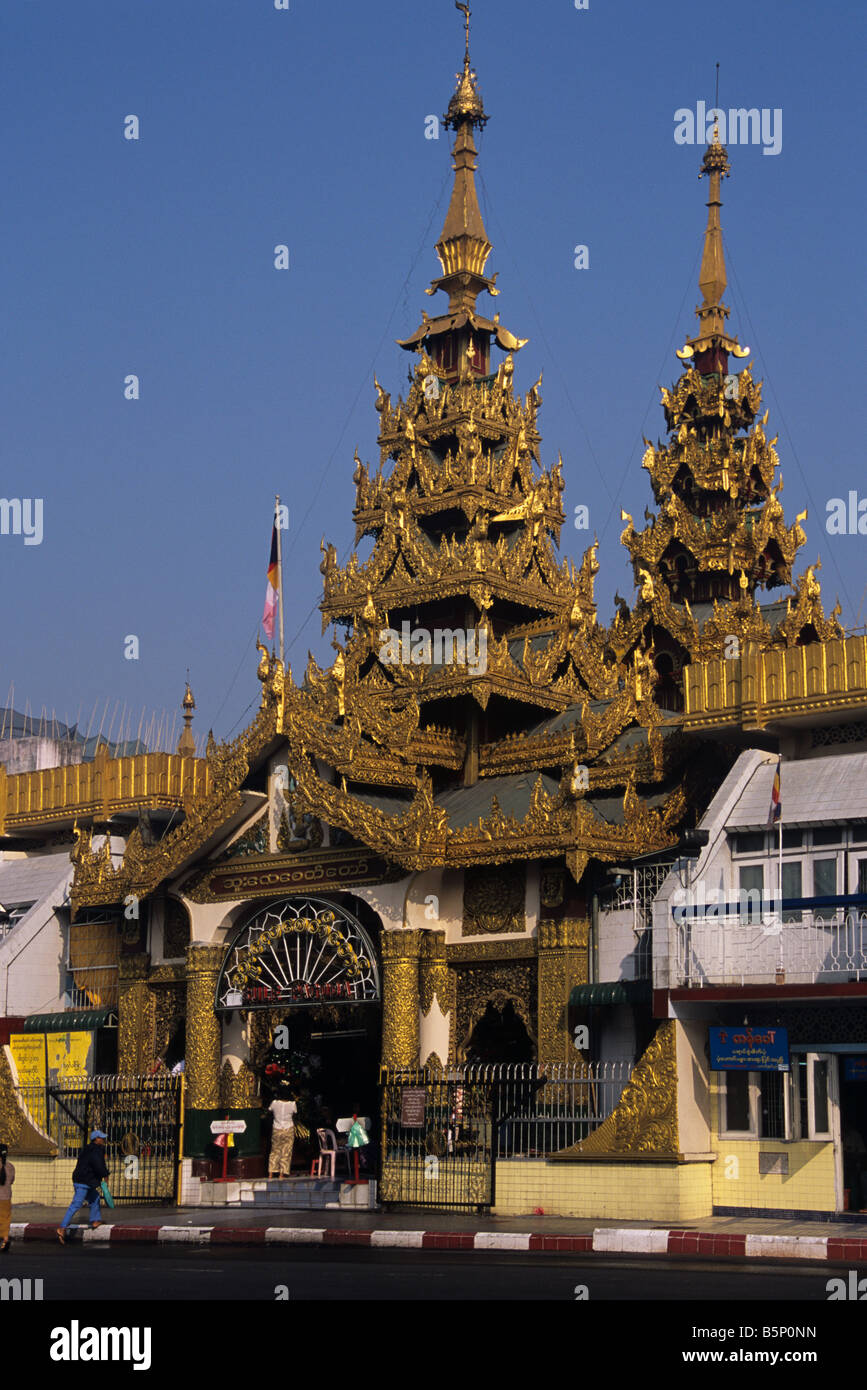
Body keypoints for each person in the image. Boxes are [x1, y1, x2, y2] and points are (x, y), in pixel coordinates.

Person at [57, 1129, 110, 1244]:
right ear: (96, 1139)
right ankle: (62, 1227)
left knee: (95, 1197)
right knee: (76, 1204)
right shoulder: (95, 1151)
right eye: (102, 1138)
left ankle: (95, 1220)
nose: (104, 1140)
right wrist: (105, 1175)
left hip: (84, 1180)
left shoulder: (88, 1149)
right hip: (83, 1181)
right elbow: (98, 1165)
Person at [268, 1089, 297, 1179]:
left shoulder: (274, 1103)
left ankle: (271, 1173)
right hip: (288, 1128)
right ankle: (282, 1173)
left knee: (274, 1150)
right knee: (286, 1151)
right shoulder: (292, 1104)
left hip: (277, 1128)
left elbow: (269, 1110)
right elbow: (295, 1113)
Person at [0, 1143, 15, 1252]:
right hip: (6, 1197)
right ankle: (5, 1240)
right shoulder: (10, 1166)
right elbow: (12, 1181)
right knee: (5, 1219)